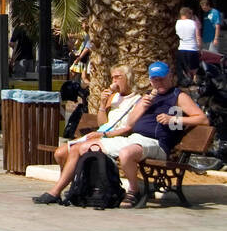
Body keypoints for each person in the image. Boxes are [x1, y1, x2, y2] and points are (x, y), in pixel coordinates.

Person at [34, 61, 209, 207]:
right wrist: (142, 106)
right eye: (155, 80)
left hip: (157, 143)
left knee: (126, 154)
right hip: (133, 139)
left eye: (162, 79)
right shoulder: (148, 97)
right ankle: (57, 192)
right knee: (79, 148)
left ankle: (134, 191)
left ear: (170, 77)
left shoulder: (178, 96)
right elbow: (131, 123)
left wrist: (174, 120)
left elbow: (202, 119)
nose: (159, 83)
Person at [54, 64, 141, 163]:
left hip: (116, 138)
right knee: (60, 153)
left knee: (73, 151)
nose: (114, 81)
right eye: (112, 78)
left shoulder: (138, 100)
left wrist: (104, 134)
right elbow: (102, 124)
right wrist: (103, 104)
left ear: (128, 78)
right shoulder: (113, 98)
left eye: (118, 77)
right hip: (102, 134)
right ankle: (72, 178)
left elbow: (129, 129)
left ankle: (71, 178)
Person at [175, 7, 201, 86]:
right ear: (187, 14)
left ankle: (187, 83)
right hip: (192, 48)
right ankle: (195, 84)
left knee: (185, 69)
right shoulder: (193, 23)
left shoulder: (177, 23)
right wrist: (200, 48)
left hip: (181, 48)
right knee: (194, 70)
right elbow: (198, 36)